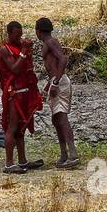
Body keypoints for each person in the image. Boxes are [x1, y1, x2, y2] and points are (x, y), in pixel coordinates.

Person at [0, 21, 44, 173]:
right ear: (9, 34)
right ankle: (9, 164)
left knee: (21, 129)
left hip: (25, 91)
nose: (19, 37)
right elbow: (15, 69)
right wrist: (24, 51)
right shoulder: (4, 49)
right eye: (16, 35)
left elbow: (27, 68)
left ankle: (22, 161)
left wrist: (27, 50)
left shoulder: (18, 47)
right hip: (13, 93)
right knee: (12, 127)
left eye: (20, 34)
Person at [35, 17, 79, 168]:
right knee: (56, 120)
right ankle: (64, 154)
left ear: (38, 31)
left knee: (61, 118)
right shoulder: (47, 43)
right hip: (55, 82)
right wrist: (47, 87)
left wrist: (55, 82)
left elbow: (63, 60)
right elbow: (53, 70)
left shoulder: (51, 42)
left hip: (60, 82)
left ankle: (72, 155)